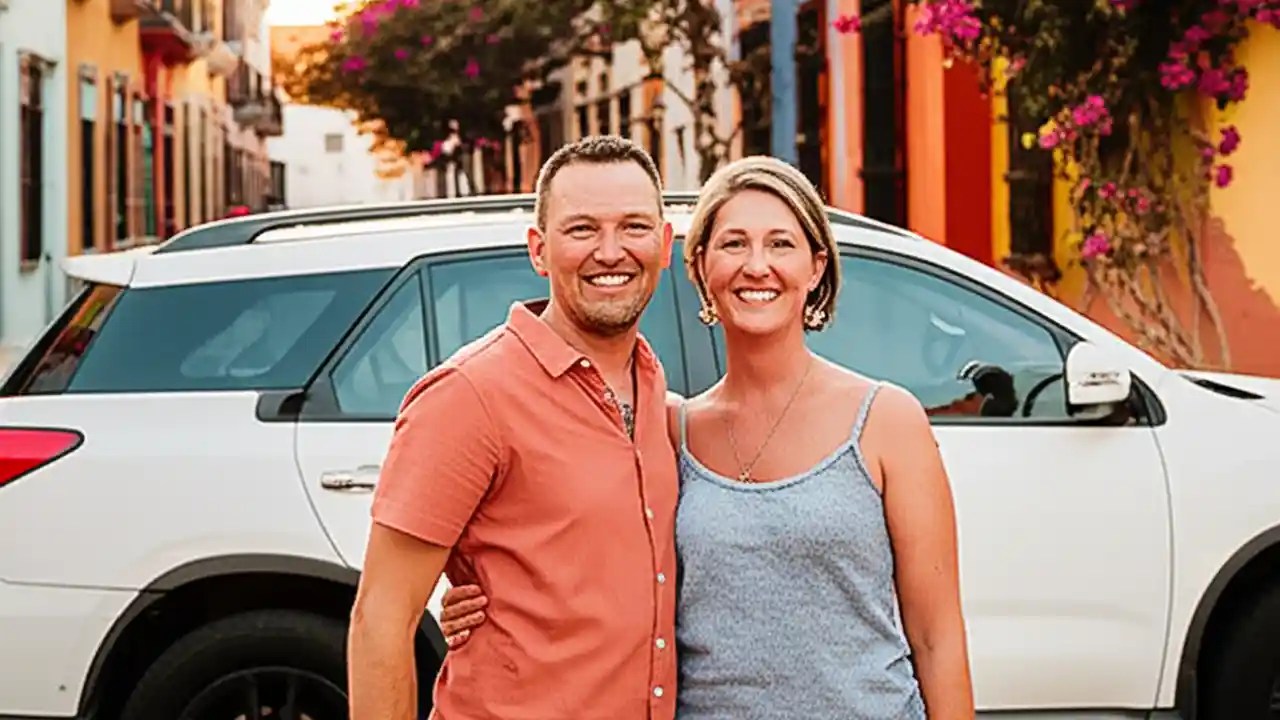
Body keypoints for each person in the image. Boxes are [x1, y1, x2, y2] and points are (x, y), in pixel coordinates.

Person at [441, 155, 976, 718]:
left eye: (781, 244)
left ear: (816, 267)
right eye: (734, 244)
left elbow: (937, 636)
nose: (757, 266)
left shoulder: (887, 421)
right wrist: (481, 601)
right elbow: (582, 559)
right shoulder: (667, 427)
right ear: (698, 267)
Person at [347, 135, 680, 720]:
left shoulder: (656, 392)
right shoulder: (469, 396)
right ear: (538, 249)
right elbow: (380, 616)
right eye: (582, 230)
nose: (611, 251)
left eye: (633, 227)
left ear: (665, 244)